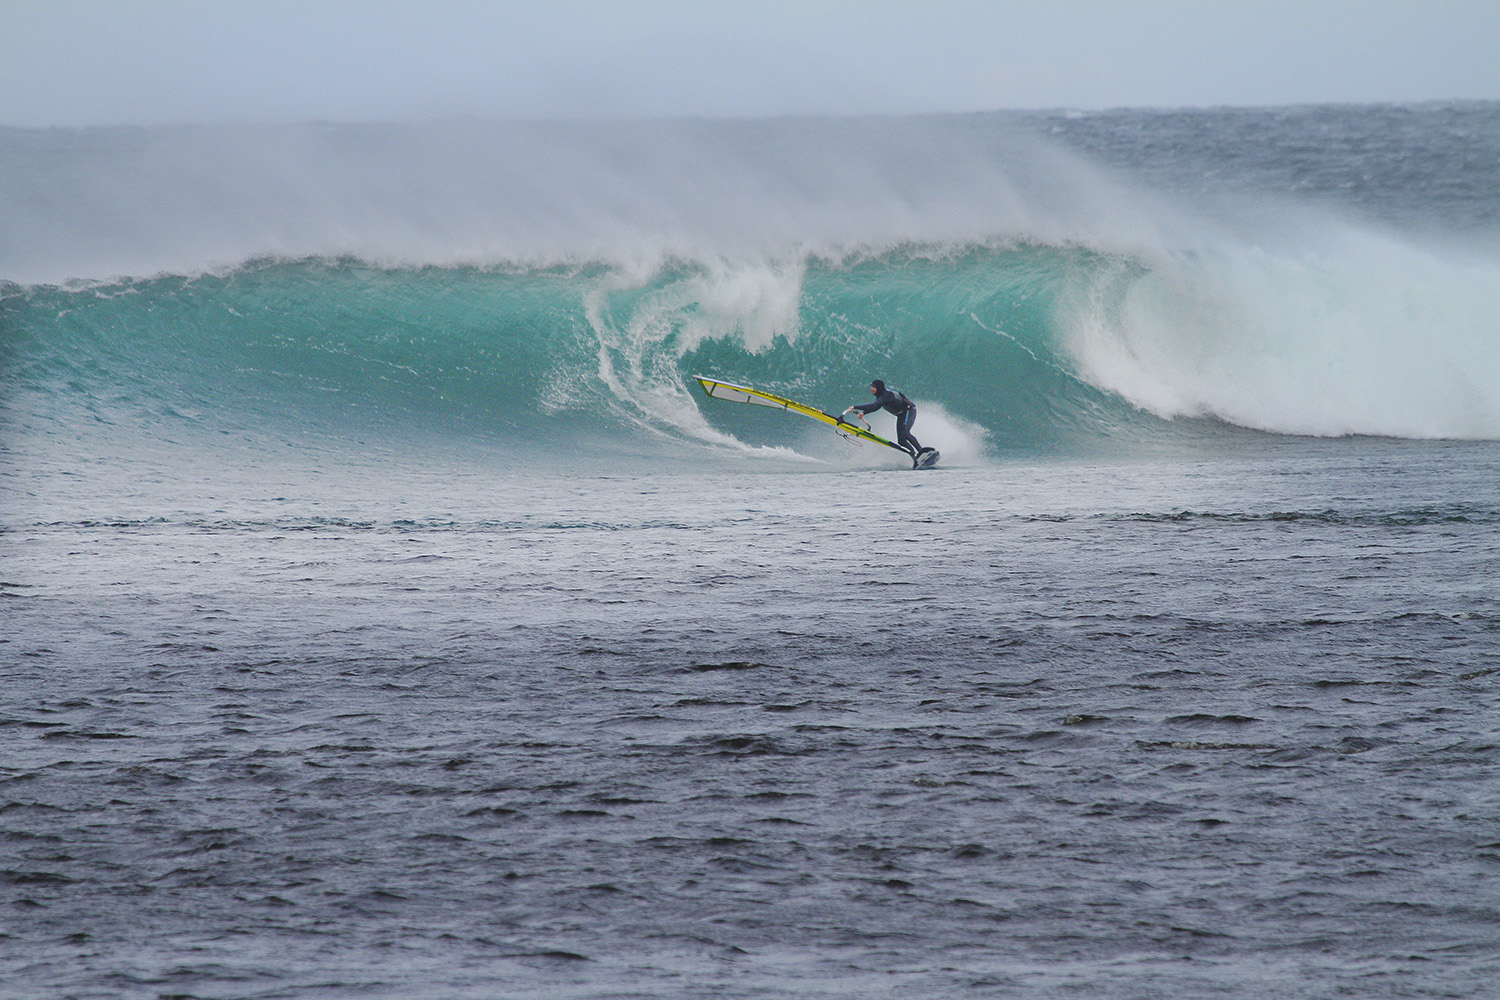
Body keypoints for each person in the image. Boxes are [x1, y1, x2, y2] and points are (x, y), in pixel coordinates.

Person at [843, 379, 935, 467]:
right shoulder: (881, 396)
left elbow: (874, 405)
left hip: (909, 411)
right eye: (871, 387)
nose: (871, 389)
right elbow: (876, 407)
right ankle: (914, 456)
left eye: (873, 387)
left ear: (878, 388)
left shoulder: (886, 395)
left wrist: (855, 406)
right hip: (901, 415)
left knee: (906, 433)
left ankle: (922, 452)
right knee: (901, 441)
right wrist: (864, 413)